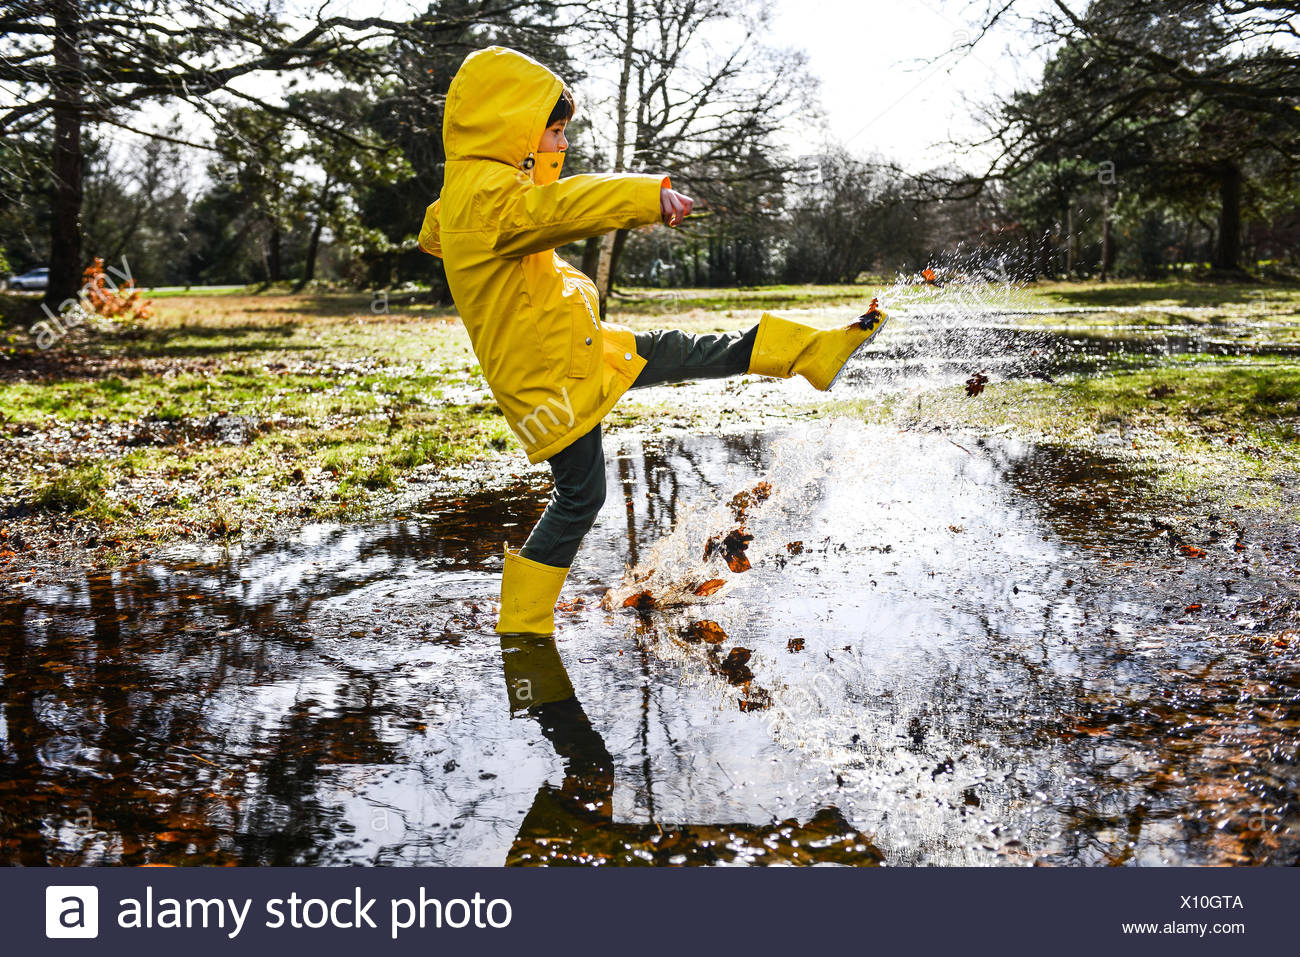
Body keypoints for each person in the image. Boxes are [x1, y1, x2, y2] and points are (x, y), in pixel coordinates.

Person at [419, 46, 888, 636]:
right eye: (555, 132)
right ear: (509, 128)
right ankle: (521, 625)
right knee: (580, 496)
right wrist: (645, 197)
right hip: (551, 377)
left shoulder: (476, 194)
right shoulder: (490, 200)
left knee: (678, 350)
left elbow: (443, 228)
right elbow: (565, 206)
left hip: (573, 350)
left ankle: (810, 353)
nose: (562, 146)